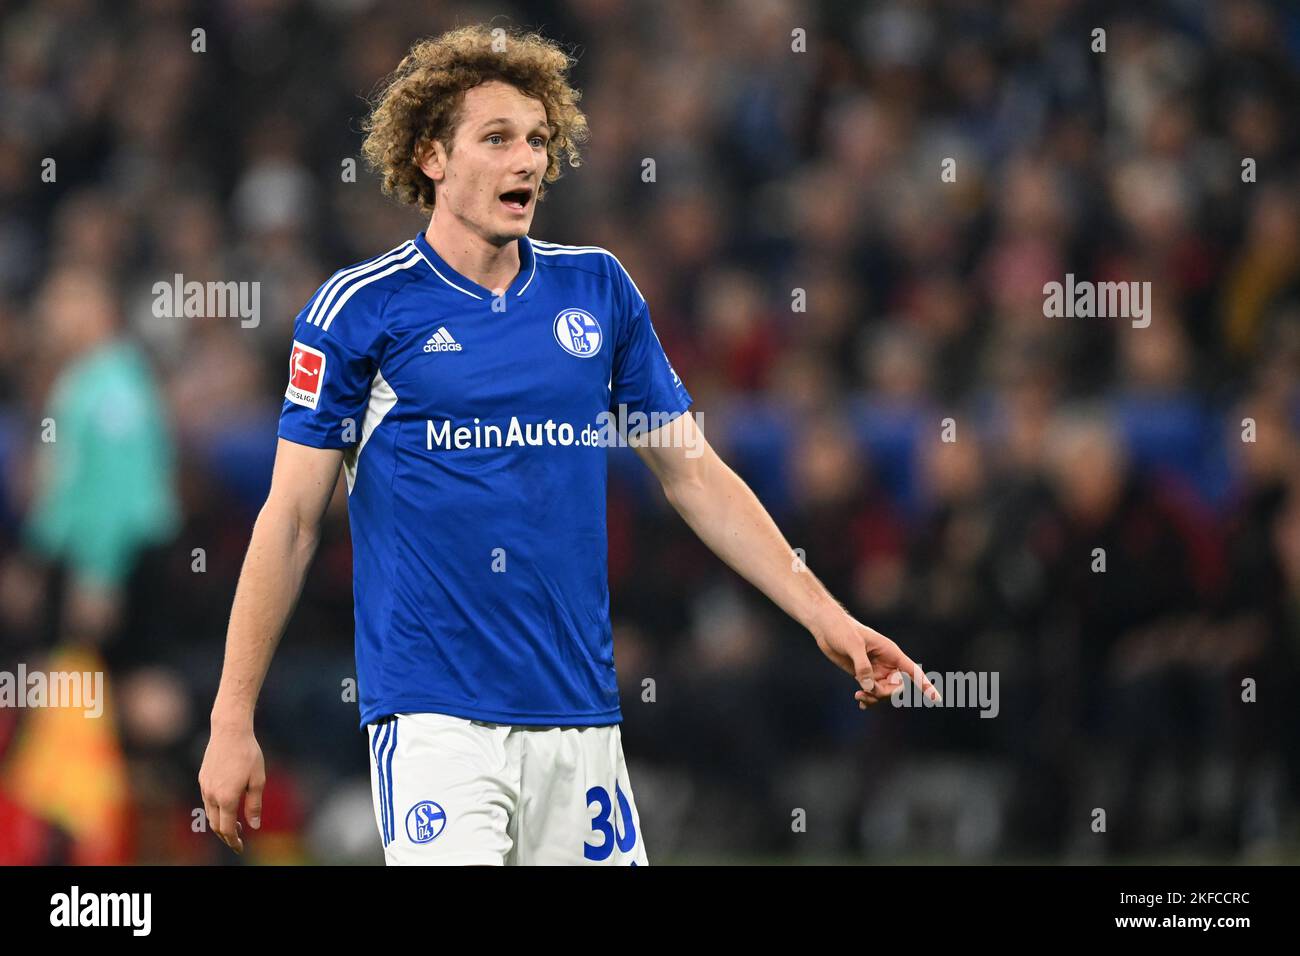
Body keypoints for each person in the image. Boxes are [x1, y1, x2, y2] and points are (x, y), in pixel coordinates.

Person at [198, 24, 938, 866]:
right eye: (498, 139)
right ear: (432, 157)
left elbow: (694, 475)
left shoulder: (598, 289)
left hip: (581, 717)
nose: (528, 161)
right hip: (436, 718)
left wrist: (824, 614)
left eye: (540, 140)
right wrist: (232, 718)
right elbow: (291, 520)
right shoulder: (359, 309)